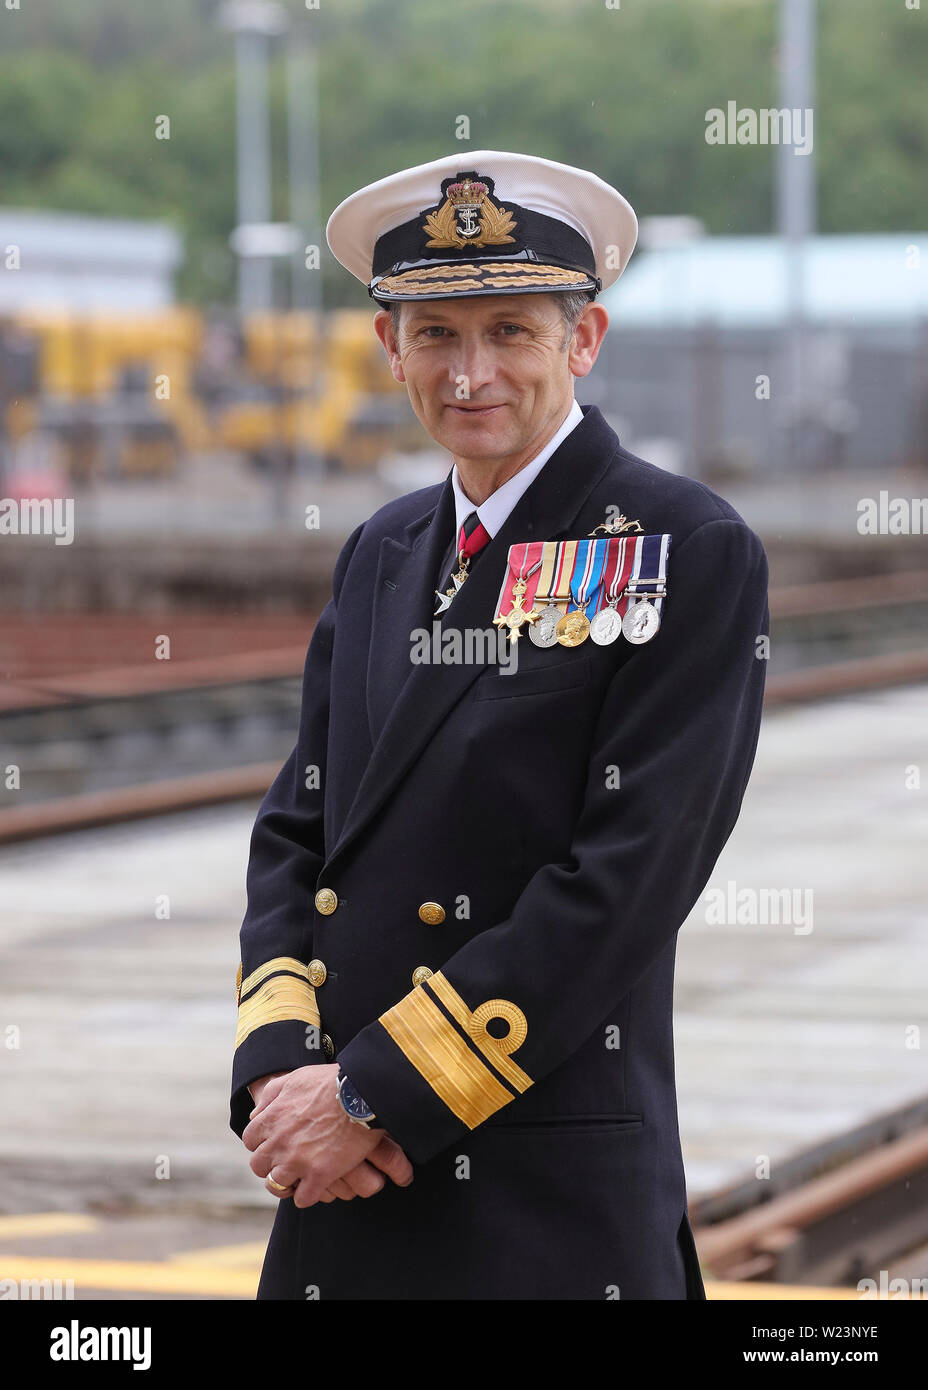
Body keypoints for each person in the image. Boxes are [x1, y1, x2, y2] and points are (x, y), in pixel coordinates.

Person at [230, 150, 769, 1300]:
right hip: (339, 1181)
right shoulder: (380, 552)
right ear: (389, 349)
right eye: (435, 335)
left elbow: (624, 879)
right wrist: (281, 1071)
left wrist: (373, 1093)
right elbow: (297, 826)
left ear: (585, 340)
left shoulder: (680, 546)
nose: (470, 373)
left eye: (511, 331)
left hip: (529, 1193)